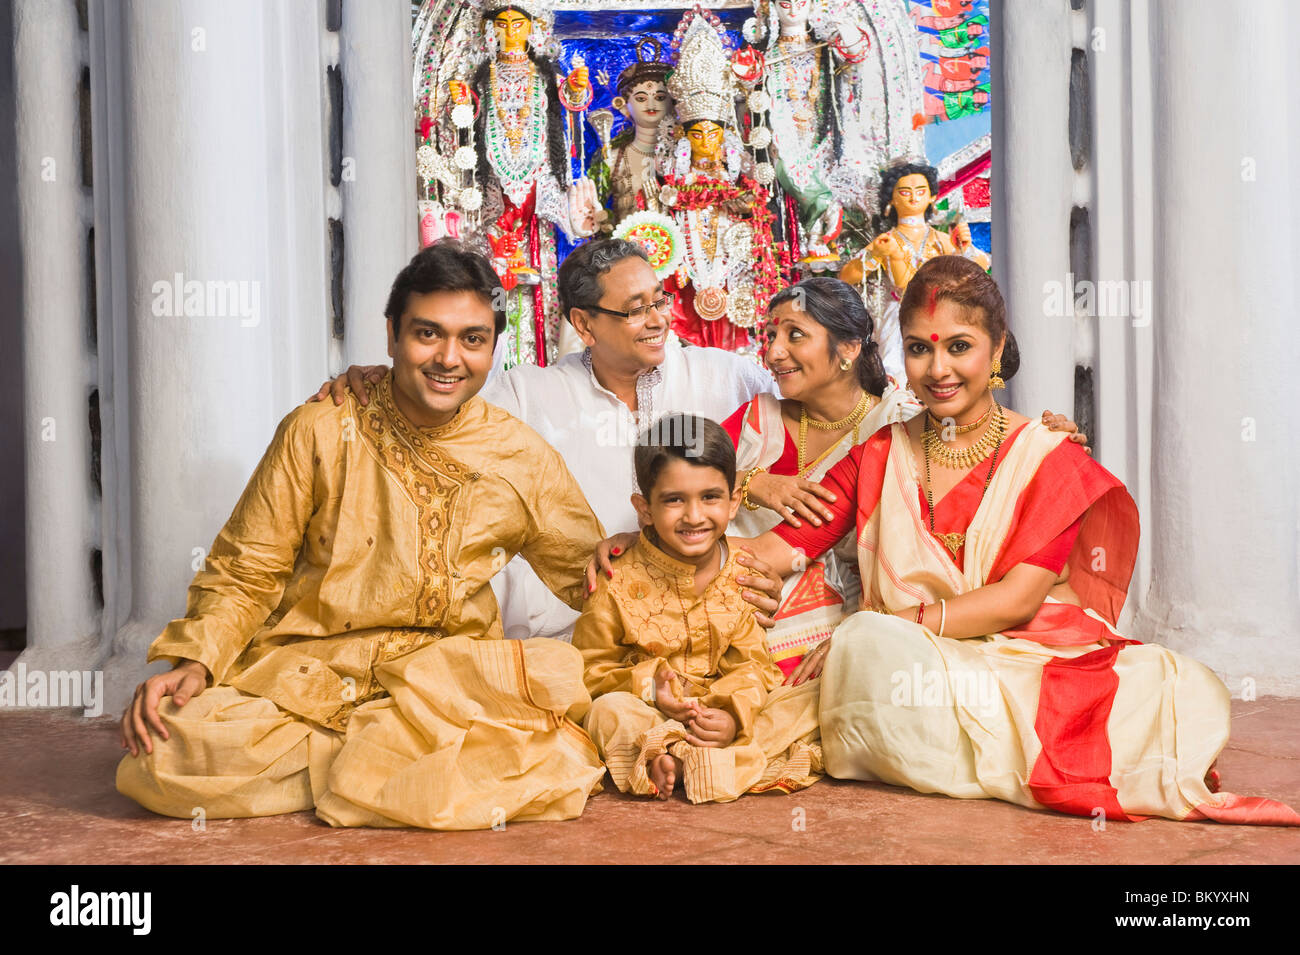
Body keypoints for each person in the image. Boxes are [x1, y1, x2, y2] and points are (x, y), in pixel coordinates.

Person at [725, 255, 1299, 825]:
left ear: (996, 350)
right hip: (913, 664)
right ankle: (985, 753)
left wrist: (890, 629)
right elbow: (777, 548)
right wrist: (670, 551)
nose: (938, 369)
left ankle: (963, 752)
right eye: (920, 348)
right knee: (869, 650)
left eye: (959, 346)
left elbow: (1018, 600)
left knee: (1182, 689)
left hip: (1022, 653)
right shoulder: (877, 454)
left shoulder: (1047, 457)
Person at [116, 241, 608, 830]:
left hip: (443, 682)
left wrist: (692, 581)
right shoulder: (319, 427)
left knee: (558, 691)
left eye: (472, 340)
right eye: (428, 334)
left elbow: (597, 578)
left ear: (492, 347)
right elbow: (248, 568)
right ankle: (388, 768)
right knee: (165, 754)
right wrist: (195, 661)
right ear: (392, 335)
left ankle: (370, 763)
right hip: (309, 675)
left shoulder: (520, 455)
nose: (449, 358)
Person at [314, 238, 786, 642]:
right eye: (635, 310)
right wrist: (382, 379)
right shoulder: (529, 394)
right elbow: (439, 417)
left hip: (706, 618)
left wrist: (750, 485)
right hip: (568, 634)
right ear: (583, 325)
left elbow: (820, 419)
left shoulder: (728, 378)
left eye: (658, 301)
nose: (658, 319)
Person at [573, 414, 820, 803]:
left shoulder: (745, 571)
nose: (694, 516)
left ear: (734, 500)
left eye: (710, 497)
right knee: (609, 712)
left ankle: (694, 759)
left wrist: (731, 715)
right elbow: (590, 672)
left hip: (719, 716)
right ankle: (673, 756)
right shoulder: (615, 577)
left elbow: (753, 666)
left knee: (806, 700)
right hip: (647, 711)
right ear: (645, 509)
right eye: (674, 500)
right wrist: (651, 689)